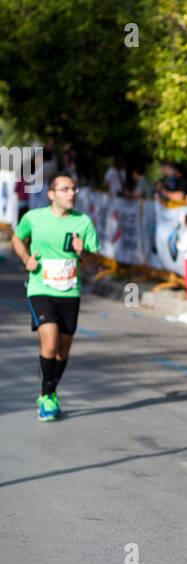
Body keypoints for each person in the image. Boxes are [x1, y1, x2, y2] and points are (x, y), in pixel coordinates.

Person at [10, 173, 100, 420]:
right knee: (49, 342)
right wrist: (26, 258)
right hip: (41, 288)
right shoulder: (34, 217)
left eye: (74, 189)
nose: (72, 193)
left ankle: (51, 390)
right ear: (51, 194)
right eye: (65, 189)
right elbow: (17, 238)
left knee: (63, 349)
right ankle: (47, 396)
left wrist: (83, 253)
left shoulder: (83, 222)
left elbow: (95, 260)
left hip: (70, 291)